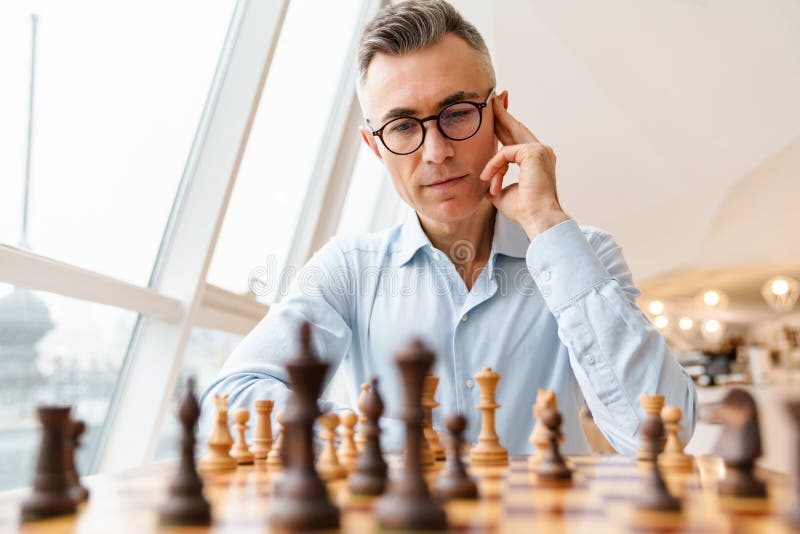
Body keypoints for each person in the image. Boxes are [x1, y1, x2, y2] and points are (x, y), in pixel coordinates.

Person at [200, 0, 696, 454]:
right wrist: (382, 434)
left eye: (457, 113)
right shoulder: (349, 269)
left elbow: (659, 435)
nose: (436, 152)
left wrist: (547, 224)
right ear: (374, 147)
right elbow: (230, 399)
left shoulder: (584, 255)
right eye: (402, 127)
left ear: (499, 114)